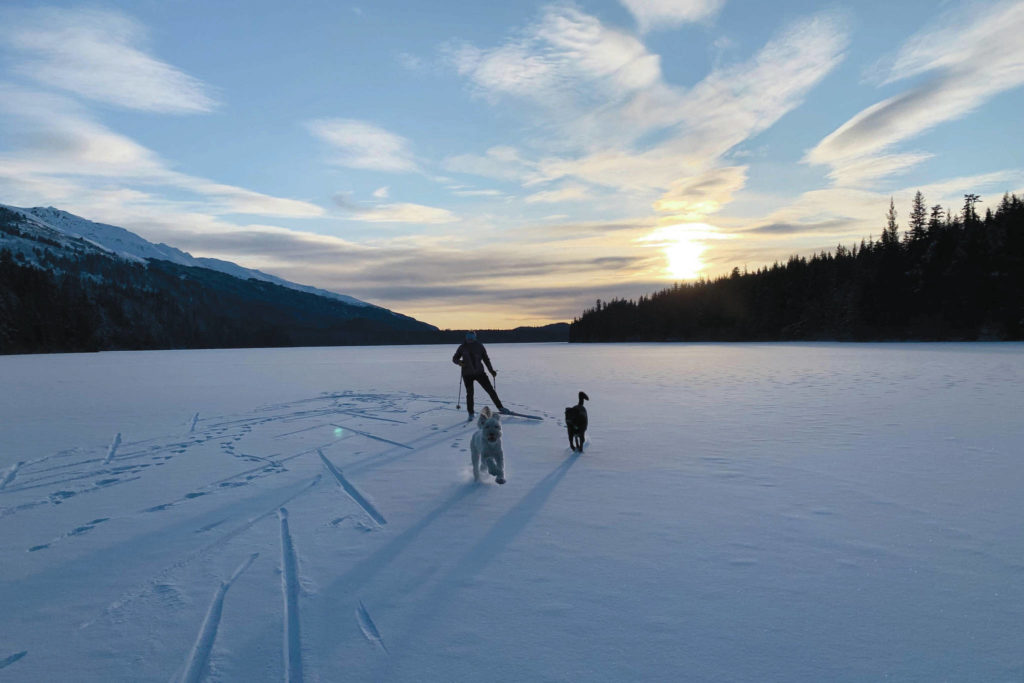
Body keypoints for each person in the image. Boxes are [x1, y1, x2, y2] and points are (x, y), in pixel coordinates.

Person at [453, 331, 510, 418]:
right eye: (468, 337)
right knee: (470, 394)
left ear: (475, 338)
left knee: (490, 390)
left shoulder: (479, 346)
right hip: (467, 374)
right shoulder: (462, 347)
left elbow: (486, 360)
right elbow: (454, 358)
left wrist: (491, 371)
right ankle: (470, 413)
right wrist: (459, 362)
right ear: (466, 338)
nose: (470, 339)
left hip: (480, 373)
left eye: (472, 337)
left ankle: (500, 407)